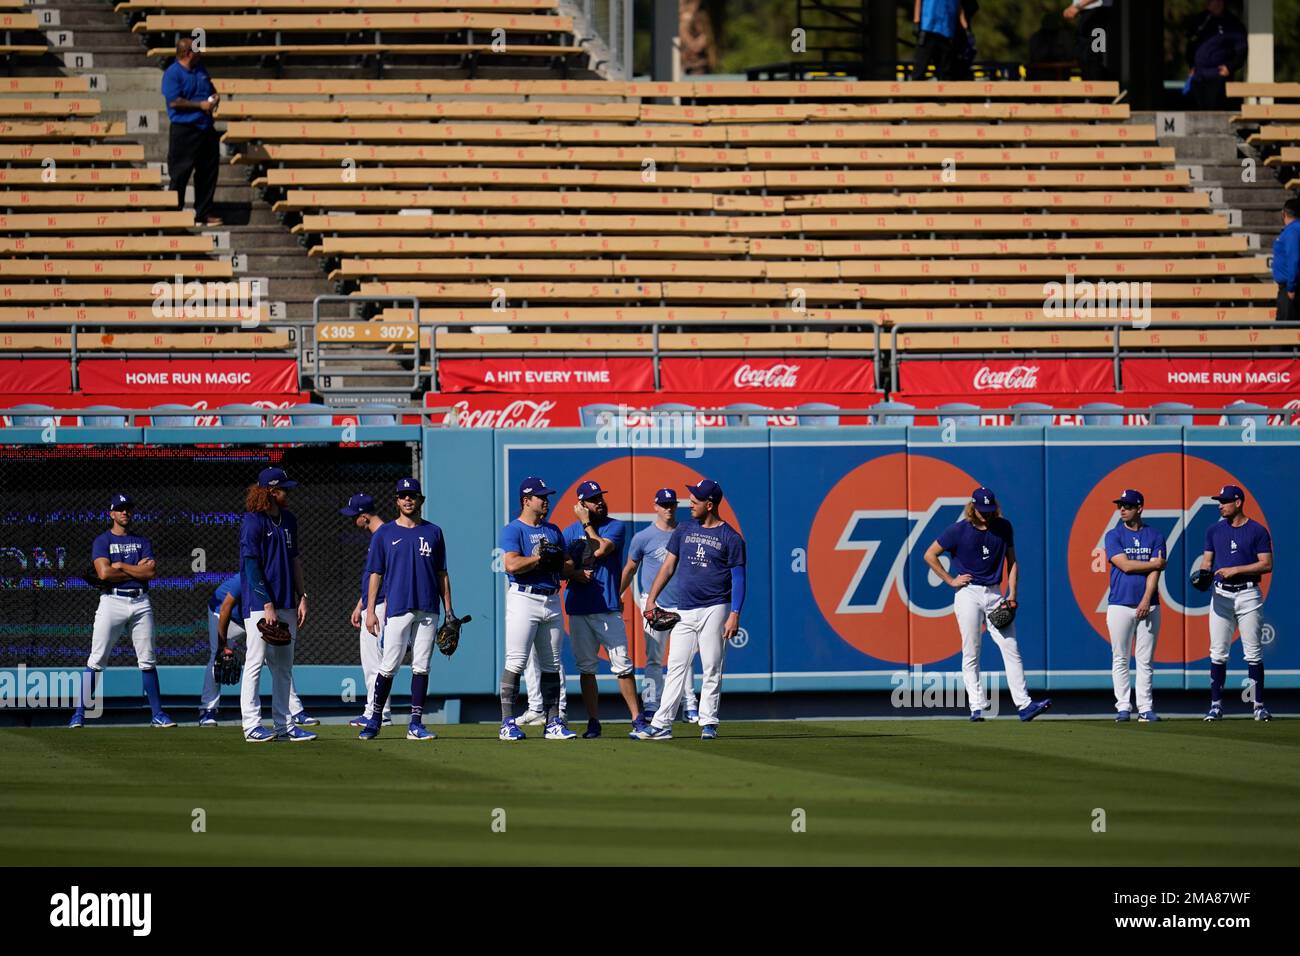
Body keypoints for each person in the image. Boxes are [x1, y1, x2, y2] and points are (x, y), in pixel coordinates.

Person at [922, 487, 1052, 722]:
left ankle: (1024, 705)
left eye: (989, 510)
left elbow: (1012, 562)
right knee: (972, 649)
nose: (986, 514)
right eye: (981, 510)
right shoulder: (958, 530)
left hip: (995, 593)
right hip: (968, 592)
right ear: (972, 508)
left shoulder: (1003, 527)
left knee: (1010, 647)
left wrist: (1012, 594)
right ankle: (977, 707)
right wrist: (951, 580)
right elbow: (930, 554)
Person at [634, 479, 745, 741]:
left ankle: (708, 721)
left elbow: (739, 578)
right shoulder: (683, 529)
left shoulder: (730, 537)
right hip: (684, 607)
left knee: (711, 664)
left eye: (695, 500)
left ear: (710, 504)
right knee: (676, 665)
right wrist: (652, 598)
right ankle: (662, 724)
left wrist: (735, 613)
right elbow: (668, 566)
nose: (690, 503)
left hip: (715, 606)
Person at [360, 478, 454, 741]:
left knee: (421, 667)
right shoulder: (385, 533)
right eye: (403, 496)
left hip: (428, 608)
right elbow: (375, 574)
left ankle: (415, 723)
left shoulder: (434, 532)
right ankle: (375, 719)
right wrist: (369, 610)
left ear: (420, 500)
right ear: (397, 501)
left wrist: (449, 611)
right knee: (389, 665)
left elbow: (442, 574)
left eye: (412, 495)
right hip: (398, 607)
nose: (408, 499)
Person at [68, 494, 173, 729]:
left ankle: (157, 714)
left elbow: (150, 574)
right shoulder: (102, 540)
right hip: (112, 601)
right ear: (112, 514)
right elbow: (104, 574)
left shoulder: (142, 541)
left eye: (128, 509)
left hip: (140, 601)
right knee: (96, 659)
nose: (125, 513)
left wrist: (122, 566)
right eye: (120, 509)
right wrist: (136, 570)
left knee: (147, 659)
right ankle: (79, 714)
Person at [560, 480, 648, 739]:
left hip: (607, 607)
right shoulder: (567, 532)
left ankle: (637, 718)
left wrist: (586, 523)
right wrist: (575, 574)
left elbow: (600, 549)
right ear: (581, 503)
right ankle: (593, 722)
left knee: (622, 665)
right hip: (578, 607)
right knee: (586, 668)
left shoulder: (615, 526)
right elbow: (562, 567)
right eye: (592, 499)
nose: (599, 501)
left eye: (600, 497)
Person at [497, 476, 578, 742]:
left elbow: (567, 567)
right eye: (541, 496)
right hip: (524, 598)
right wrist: (539, 558)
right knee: (517, 661)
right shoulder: (514, 529)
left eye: (547, 496)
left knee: (552, 664)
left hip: (552, 599)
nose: (546, 500)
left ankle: (553, 722)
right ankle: (507, 723)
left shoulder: (553, 530)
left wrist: (560, 562)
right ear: (526, 500)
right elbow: (511, 565)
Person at [239, 467, 314, 743]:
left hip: (287, 602)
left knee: (284, 667)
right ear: (271, 491)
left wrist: (302, 596)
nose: (288, 492)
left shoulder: (289, 520)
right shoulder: (253, 521)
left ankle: (284, 725)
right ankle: (251, 725)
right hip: (261, 604)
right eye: (284, 488)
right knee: (255, 662)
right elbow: (251, 565)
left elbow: (295, 560)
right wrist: (266, 603)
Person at [621, 487, 699, 723]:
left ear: (676, 506)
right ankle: (652, 704)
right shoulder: (643, 537)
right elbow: (630, 568)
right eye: (663, 504)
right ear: (655, 507)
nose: (668, 508)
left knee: (683, 657)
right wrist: (618, 593)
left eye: (671, 504)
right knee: (654, 657)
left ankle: (689, 706)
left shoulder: (686, 533)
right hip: (655, 604)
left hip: (683, 604)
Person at [197, 572, 314, 727]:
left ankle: (296, 711)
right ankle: (207, 711)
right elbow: (225, 608)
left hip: (253, 617)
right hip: (225, 615)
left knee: (277, 660)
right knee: (216, 656)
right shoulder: (244, 578)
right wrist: (223, 645)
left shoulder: (277, 581)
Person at [1200, 485, 1273, 722]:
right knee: (1218, 652)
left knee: (1253, 652)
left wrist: (1236, 569)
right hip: (1221, 595)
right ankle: (1215, 705)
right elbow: (1207, 561)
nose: (1220, 504)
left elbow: (1266, 564)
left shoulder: (1257, 530)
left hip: (1248, 594)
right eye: (1219, 500)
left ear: (1238, 502)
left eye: (1225, 500)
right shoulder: (1214, 530)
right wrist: (1203, 575)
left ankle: (1258, 705)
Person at [1104, 490, 1167, 723]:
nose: (1122, 509)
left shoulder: (1155, 535)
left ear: (1139, 508)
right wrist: (1153, 562)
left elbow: (1155, 572)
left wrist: (1145, 599)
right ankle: (1122, 707)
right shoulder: (1114, 535)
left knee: (1145, 660)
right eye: (1120, 505)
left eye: (1127, 506)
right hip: (1119, 604)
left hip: (1148, 605)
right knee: (1120, 657)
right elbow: (1125, 566)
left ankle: (1145, 708)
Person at [340, 493, 393, 728]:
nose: (353, 521)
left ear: (364, 516)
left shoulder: (382, 535)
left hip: (380, 608)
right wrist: (360, 604)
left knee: (374, 664)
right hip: (374, 605)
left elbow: (389, 577)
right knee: (380, 663)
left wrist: (374, 610)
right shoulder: (382, 534)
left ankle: (375, 712)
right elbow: (374, 577)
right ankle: (382, 711)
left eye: (355, 517)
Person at [162, 37, 222, 226]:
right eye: (196, 50)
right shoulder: (173, 73)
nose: (200, 53)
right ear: (187, 53)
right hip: (185, 129)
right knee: (180, 172)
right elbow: (174, 101)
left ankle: (203, 212)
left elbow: (210, 88)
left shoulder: (200, 69)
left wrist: (214, 97)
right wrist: (200, 105)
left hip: (205, 127)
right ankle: (174, 213)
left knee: (208, 171)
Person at [1183, 0, 1247, 110]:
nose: (1209, 3)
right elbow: (1190, 43)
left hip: (1218, 76)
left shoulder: (1233, 23)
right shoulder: (1200, 20)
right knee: (1196, 112)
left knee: (1215, 110)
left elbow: (1241, 50)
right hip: (1198, 76)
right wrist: (1191, 65)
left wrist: (1230, 67)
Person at [1063, 0, 1116, 82]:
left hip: (1098, 12)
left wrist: (1077, 6)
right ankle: (1092, 89)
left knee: (1093, 55)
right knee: (1083, 55)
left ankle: (1100, 90)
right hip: (1087, 12)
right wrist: (1073, 7)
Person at [911, 0, 960, 81]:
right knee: (920, 67)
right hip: (929, 27)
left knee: (945, 71)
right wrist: (916, 20)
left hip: (947, 30)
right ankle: (915, 91)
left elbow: (959, 7)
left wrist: (965, 29)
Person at [1273, 198, 1300, 324]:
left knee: (1283, 335)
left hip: (1290, 290)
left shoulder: (1291, 231)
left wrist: (1291, 288)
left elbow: (1294, 260)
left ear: (1284, 213)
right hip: (1292, 286)